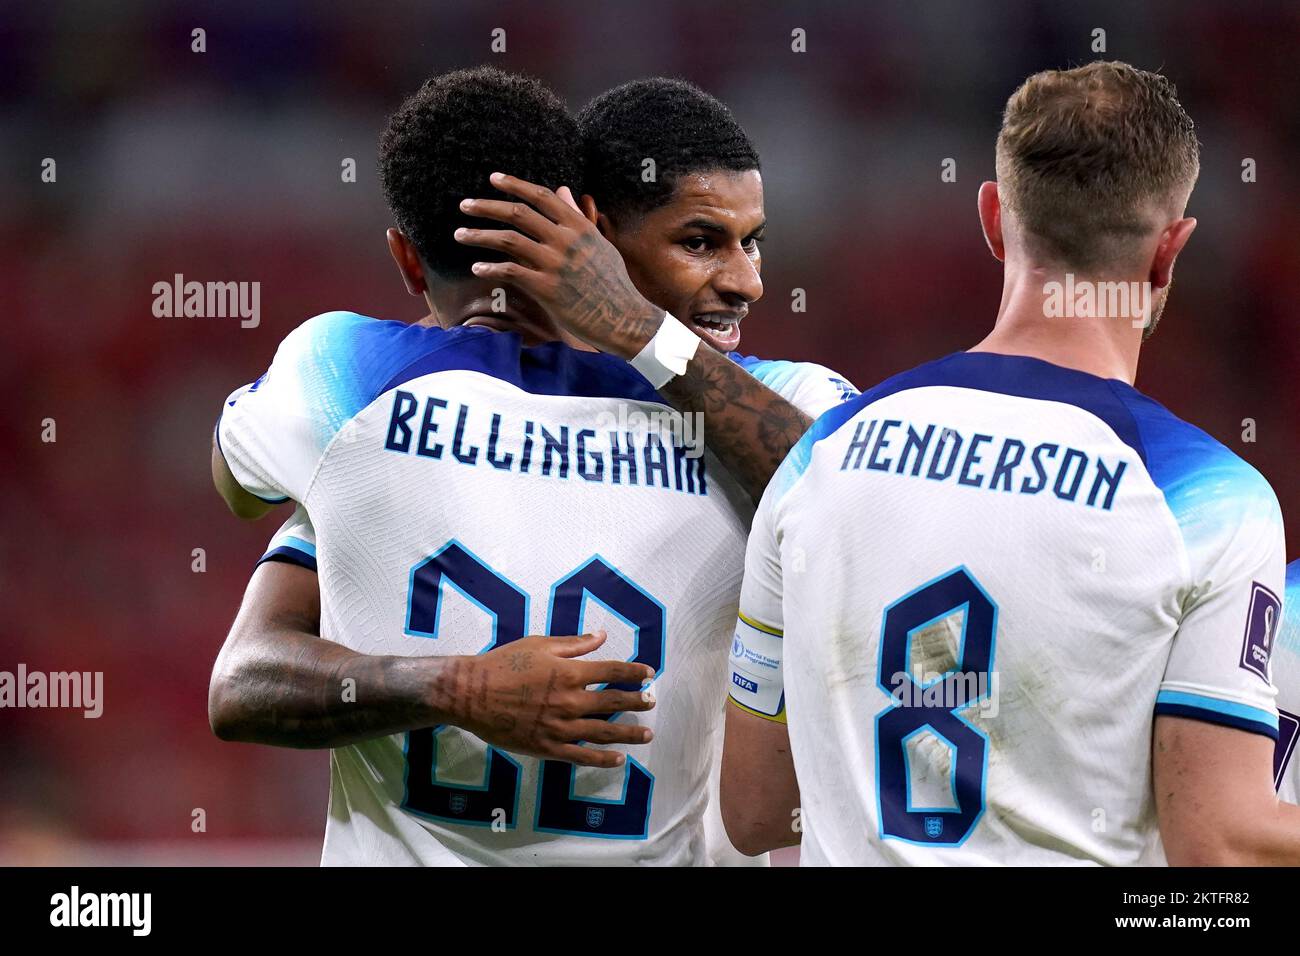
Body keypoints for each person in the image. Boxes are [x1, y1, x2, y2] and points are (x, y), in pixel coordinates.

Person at [210, 68, 854, 865]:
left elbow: (234, 489)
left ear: (409, 261)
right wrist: (639, 334)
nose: (749, 280)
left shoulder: (342, 383)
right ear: (589, 232)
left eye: (751, 243)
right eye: (701, 241)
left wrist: (451, 686)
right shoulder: (770, 407)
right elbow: (849, 500)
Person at [721, 61, 1300, 865]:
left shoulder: (822, 452)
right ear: (1171, 252)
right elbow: (1219, 844)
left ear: (993, 218)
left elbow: (754, 813)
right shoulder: (1211, 499)